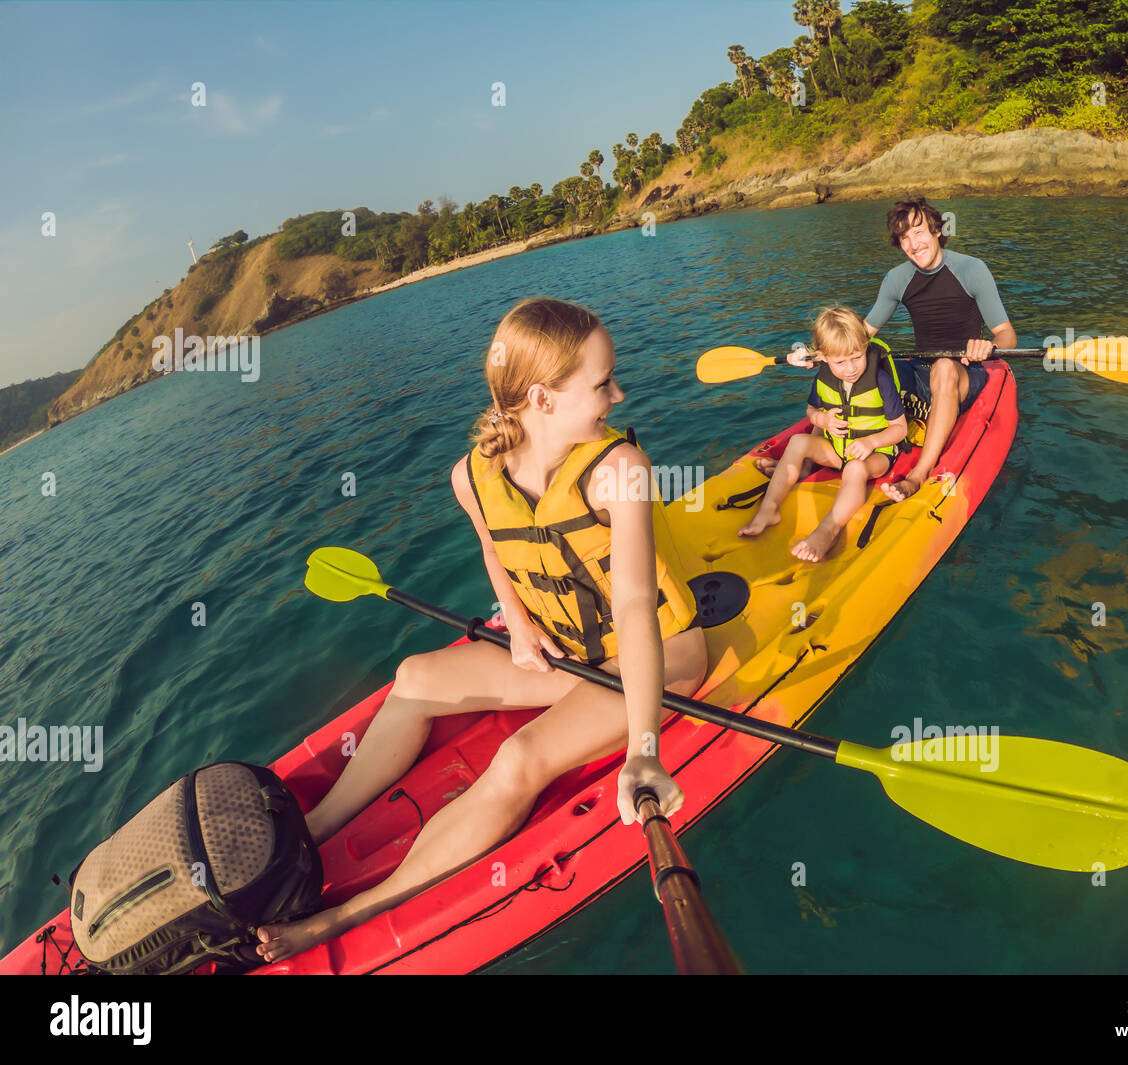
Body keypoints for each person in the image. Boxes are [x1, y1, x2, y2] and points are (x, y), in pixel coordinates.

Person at [255, 298, 708, 962]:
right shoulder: (472, 476)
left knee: (519, 757)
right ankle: (315, 832)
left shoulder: (620, 473)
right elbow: (497, 549)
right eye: (602, 382)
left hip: (660, 657)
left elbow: (638, 606)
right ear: (541, 399)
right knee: (414, 678)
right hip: (568, 654)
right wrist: (519, 626)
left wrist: (645, 747)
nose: (620, 392)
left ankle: (344, 914)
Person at [790, 196, 1016, 502]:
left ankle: (918, 474)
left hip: (964, 373)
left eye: (919, 232)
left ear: (937, 230)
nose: (913, 244)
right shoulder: (897, 279)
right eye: (904, 237)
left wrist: (988, 346)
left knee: (945, 367)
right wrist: (819, 356)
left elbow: (1007, 335)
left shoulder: (971, 269)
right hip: (919, 368)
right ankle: (805, 461)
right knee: (859, 365)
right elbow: (862, 336)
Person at [739, 307, 906, 562]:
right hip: (837, 449)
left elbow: (899, 429)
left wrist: (871, 441)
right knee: (798, 441)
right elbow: (811, 409)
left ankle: (828, 530)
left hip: (875, 454)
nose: (851, 368)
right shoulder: (822, 377)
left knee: (854, 469)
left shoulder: (879, 379)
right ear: (823, 357)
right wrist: (822, 419)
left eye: (857, 357)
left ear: (865, 346)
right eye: (840, 362)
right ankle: (769, 509)